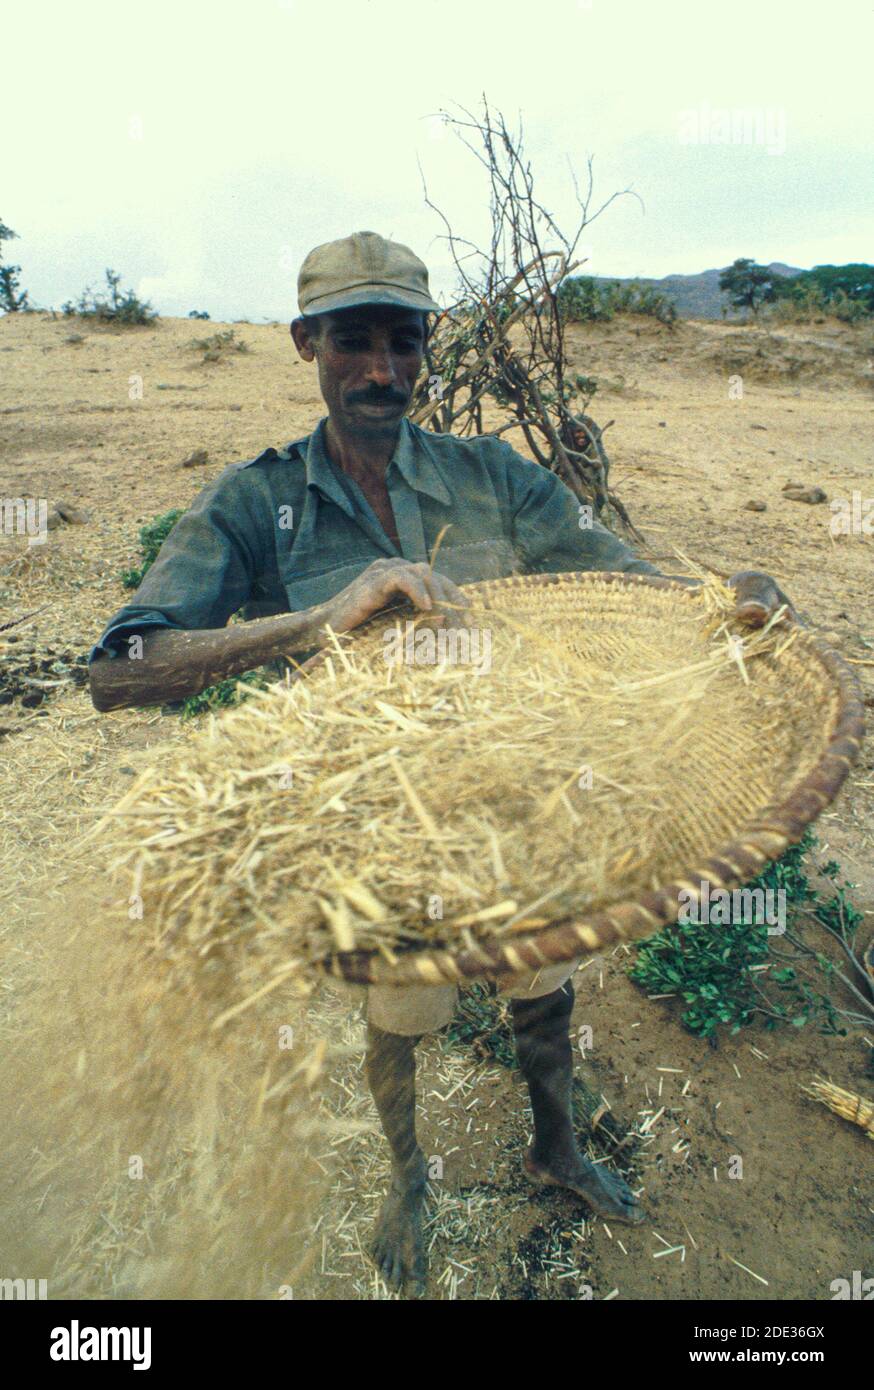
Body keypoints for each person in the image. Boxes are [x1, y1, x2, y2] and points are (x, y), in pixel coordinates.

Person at [89, 230, 795, 1296]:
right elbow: (119, 670)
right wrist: (318, 618)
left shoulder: (488, 475)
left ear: (428, 348)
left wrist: (730, 595)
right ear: (304, 344)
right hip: (373, 840)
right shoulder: (253, 502)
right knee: (400, 1010)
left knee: (546, 972)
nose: (380, 370)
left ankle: (553, 1145)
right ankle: (408, 1178)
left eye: (402, 342)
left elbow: (631, 589)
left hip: (519, 814)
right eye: (352, 342)